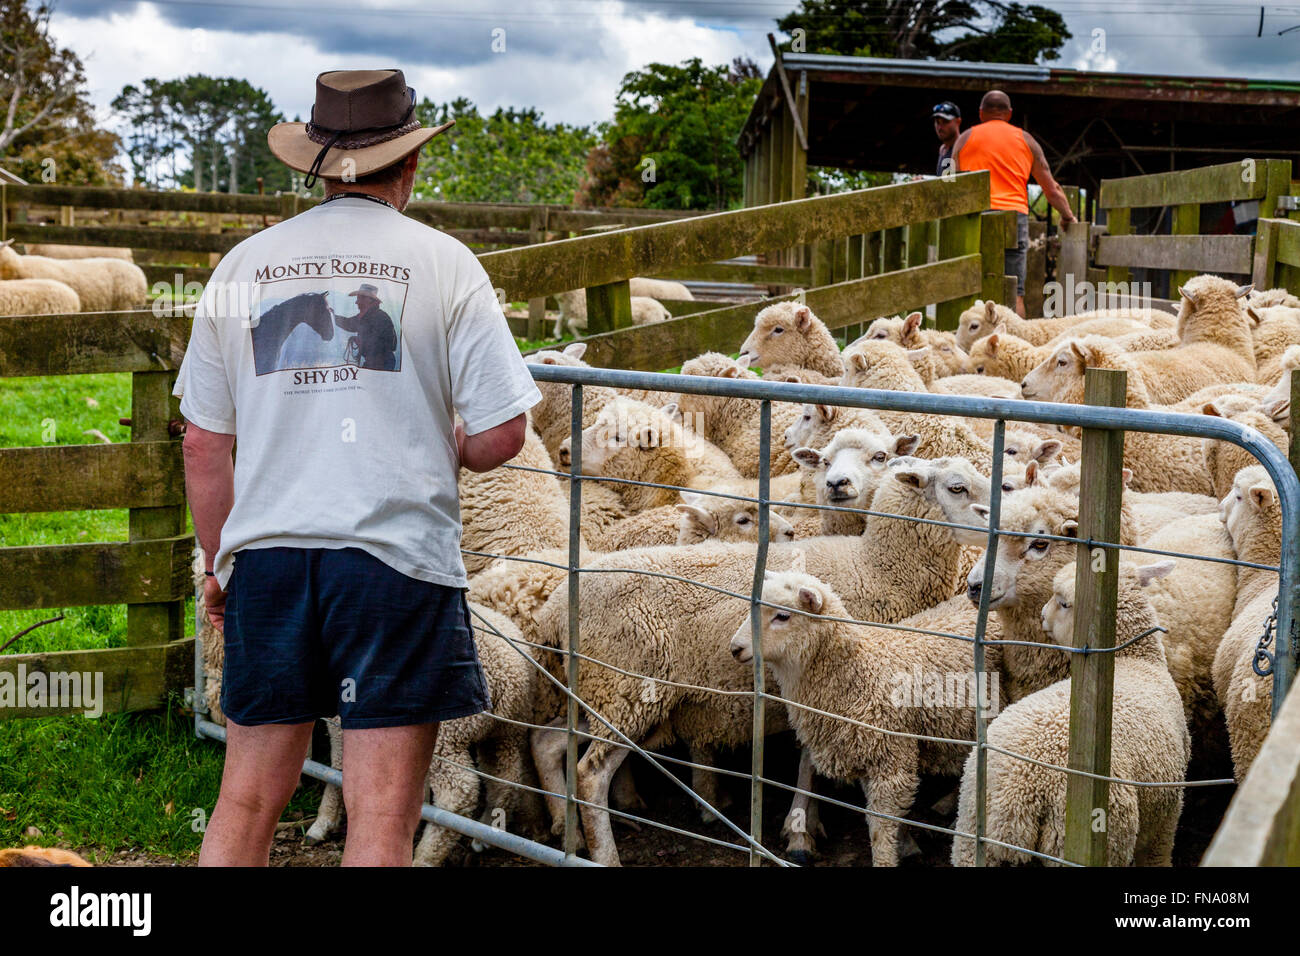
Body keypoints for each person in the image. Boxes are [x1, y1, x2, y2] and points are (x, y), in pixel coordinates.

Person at [174, 69, 542, 867]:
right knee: (381, 818)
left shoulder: (244, 266)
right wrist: (443, 440)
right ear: (410, 165)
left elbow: (202, 441)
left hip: (269, 563)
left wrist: (219, 563)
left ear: (314, 165)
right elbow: (505, 433)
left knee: (245, 796)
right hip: (394, 564)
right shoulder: (446, 264)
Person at [953, 89, 1078, 317]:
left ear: (981, 113)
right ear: (1009, 114)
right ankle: (1013, 348)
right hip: (1013, 218)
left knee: (972, 287)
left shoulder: (964, 139)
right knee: (1014, 292)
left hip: (976, 218)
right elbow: (1051, 188)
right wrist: (1068, 215)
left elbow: (951, 185)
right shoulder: (1026, 140)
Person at [334, 282, 398, 370]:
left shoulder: (380, 317)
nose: (356, 302)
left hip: (382, 362)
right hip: (375, 361)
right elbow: (349, 323)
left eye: (360, 299)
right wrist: (331, 316)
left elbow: (386, 344)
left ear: (369, 300)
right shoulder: (367, 316)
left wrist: (361, 342)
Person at [932, 101, 961, 178]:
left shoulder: (963, 148)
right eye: (937, 122)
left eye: (945, 122)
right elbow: (946, 181)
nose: (940, 127)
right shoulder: (942, 149)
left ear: (958, 121)